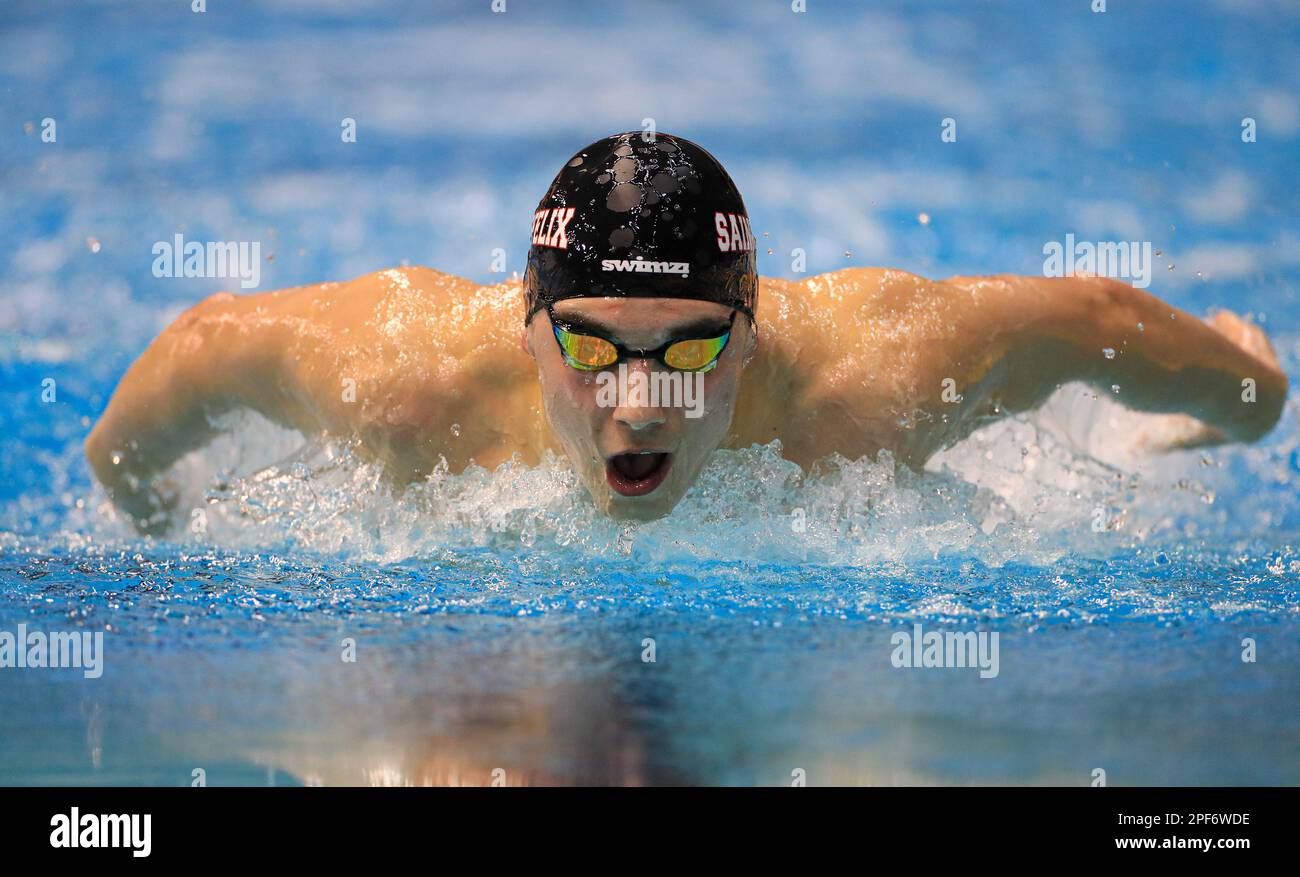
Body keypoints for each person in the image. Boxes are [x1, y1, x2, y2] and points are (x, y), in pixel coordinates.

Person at [86, 131, 1289, 534]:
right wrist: (152, 521)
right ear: (526, 327)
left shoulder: (867, 381)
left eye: (693, 346)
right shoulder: (406, 385)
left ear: (754, 331)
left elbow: (1096, 318)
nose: (642, 401)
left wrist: (1250, 404)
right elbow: (199, 347)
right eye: (596, 345)